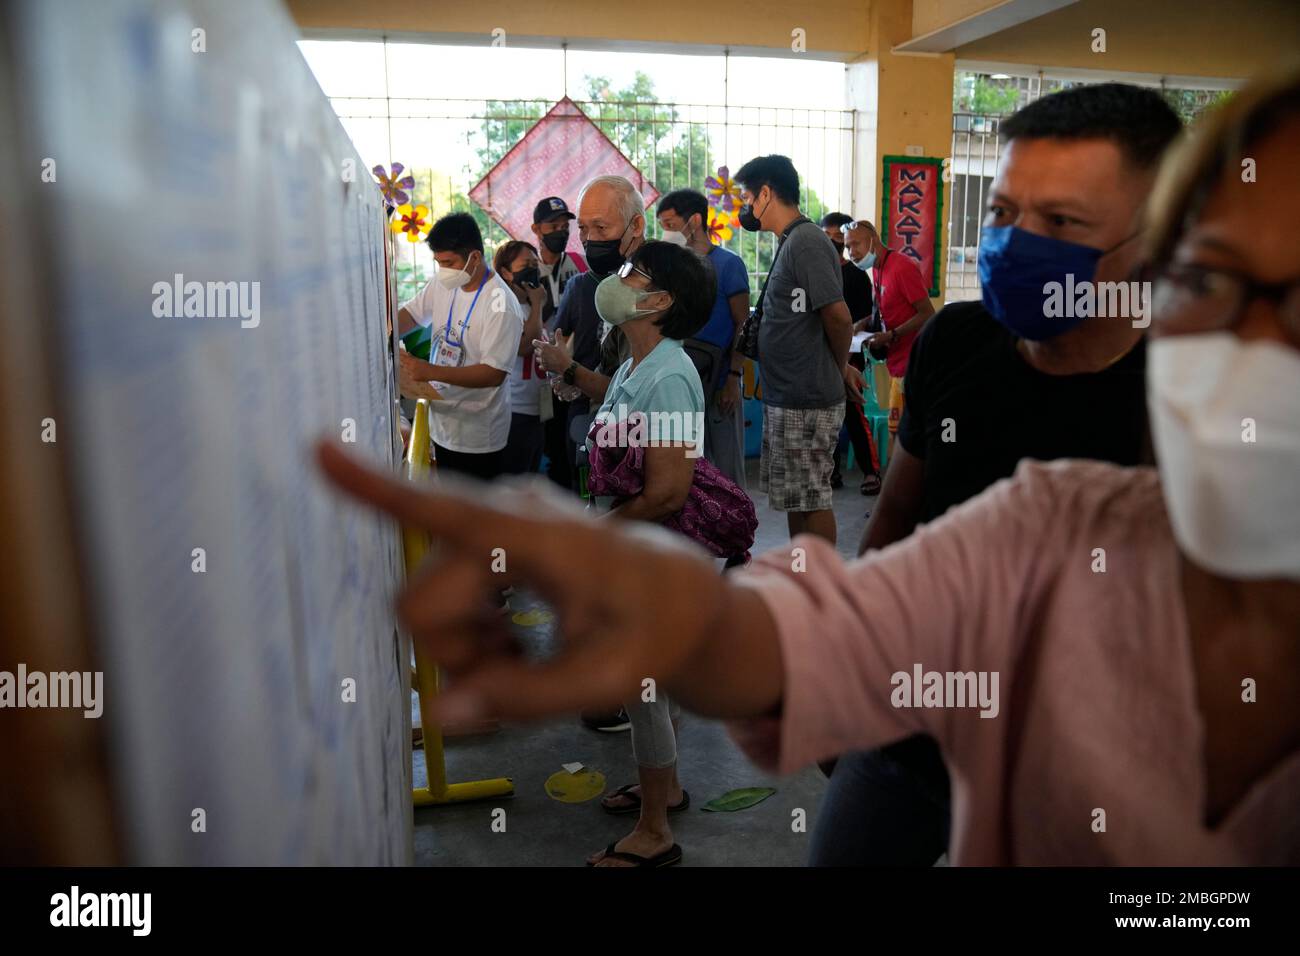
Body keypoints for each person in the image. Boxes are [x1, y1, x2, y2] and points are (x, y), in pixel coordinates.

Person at [317, 61, 1300, 867]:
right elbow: (858, 593)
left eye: (1064, 227)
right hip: (911, 740)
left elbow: (815, 340)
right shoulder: (1061, 504)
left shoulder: (761, 293)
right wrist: (695, 614)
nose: (1241, 337)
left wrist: (815, 398)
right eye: (1003, 214)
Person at [816, 82, 1183, 867]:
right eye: (1005, 213)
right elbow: (892, 528)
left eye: (1061, 223)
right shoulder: (960, 337)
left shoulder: (1197, 395)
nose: (1019, 242)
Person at [583, 240, 713, 867]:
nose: (617, 277)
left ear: (659, 301)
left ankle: (656, 831)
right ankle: (669, 784)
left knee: (645, 689)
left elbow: (667, 493)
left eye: (633, 273)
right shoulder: (640, 362)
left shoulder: (667, 377)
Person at [733, 155, 864, 545]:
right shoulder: (791, 241)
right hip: (790, 395)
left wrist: (837, 369)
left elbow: (838, 318)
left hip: (806, 398)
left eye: (748, 197)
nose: (747, 207)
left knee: (811, 500)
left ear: (767, 193)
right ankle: (802, 577)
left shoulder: (806, 241)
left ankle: (818, 590)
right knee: (797, 500)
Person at [536, 176, 647, 495]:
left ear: (636, 225)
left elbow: (632, 391)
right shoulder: (589, 285)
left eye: (601, 228)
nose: (589, 239)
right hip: (592, 421)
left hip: (640, 436)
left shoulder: (656, 291)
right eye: (583, 229)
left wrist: (569, 369)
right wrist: (570, 378)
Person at [395, 213, 523, 481]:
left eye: (449, 262)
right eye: (439, 262)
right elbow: (411, 314)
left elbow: (493, 374)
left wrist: (429, 371)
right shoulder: (444, 283)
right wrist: (383, 330)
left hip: (478, 434)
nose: (443, 270)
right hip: (442, 421)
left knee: (475, 515)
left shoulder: (501, 303)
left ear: (475, 257)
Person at [657, 188, 750, 491]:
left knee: (725, 474)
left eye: (670, 224)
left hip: (719, 381)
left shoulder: (728, 264)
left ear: (694, 220)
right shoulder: (671, 269)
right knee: (687, 473)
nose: (666, 233)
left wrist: (733, 379)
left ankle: (732, 534)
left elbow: (742, 324)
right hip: (681, 384)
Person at [842, 219, 935, 466]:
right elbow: (887, 309)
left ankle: (907, 497)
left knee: (907, 441)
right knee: (898, 434)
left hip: (913, 366)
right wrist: (863, 323)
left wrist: (892, 335)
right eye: (848, 248)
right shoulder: (878, 269)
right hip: (897, 364)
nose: (851, 253)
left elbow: (927, 313)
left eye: (855, 245)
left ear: (873, 238)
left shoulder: (901, 266)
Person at [820, 211, 882, 495]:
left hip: (850, 352)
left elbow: (866, 316)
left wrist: (851, 330)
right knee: (824, 412)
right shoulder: (816, 272)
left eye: (836, 238)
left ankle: (871, 471)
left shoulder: (857, 275)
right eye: (826, 237)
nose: (831, 243)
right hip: (820, 352)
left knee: (852, 410)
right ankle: (831, 471)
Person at [530, 197, 587, 490]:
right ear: (536, 229)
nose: (561, 231)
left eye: (565, 226)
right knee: (550, 445)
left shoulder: (580, 263)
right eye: (553, 225)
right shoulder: (525, 266)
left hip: (575, 368)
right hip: (538, 373)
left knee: (574, 441)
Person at [492, 240, 548, 475]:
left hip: (537, 410)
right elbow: (525, 347)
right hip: (515, 411)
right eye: (526, 264)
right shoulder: (502, 303)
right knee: (515, 482)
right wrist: (538, 306)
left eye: (536, 264)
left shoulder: (528, 305)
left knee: (530, 476)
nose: (533, 269)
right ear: (506, 272)